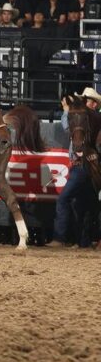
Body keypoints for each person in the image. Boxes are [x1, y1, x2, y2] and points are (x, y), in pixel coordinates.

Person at [51, 91, 101, 247]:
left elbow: (68, 127)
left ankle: (60, 238)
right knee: (84, 204)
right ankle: (85, 241)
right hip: (85, 166)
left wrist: (66, 110)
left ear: (93, 103)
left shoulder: (90, 118)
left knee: (66, 199)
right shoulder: (90, 118)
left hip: (83, 166)